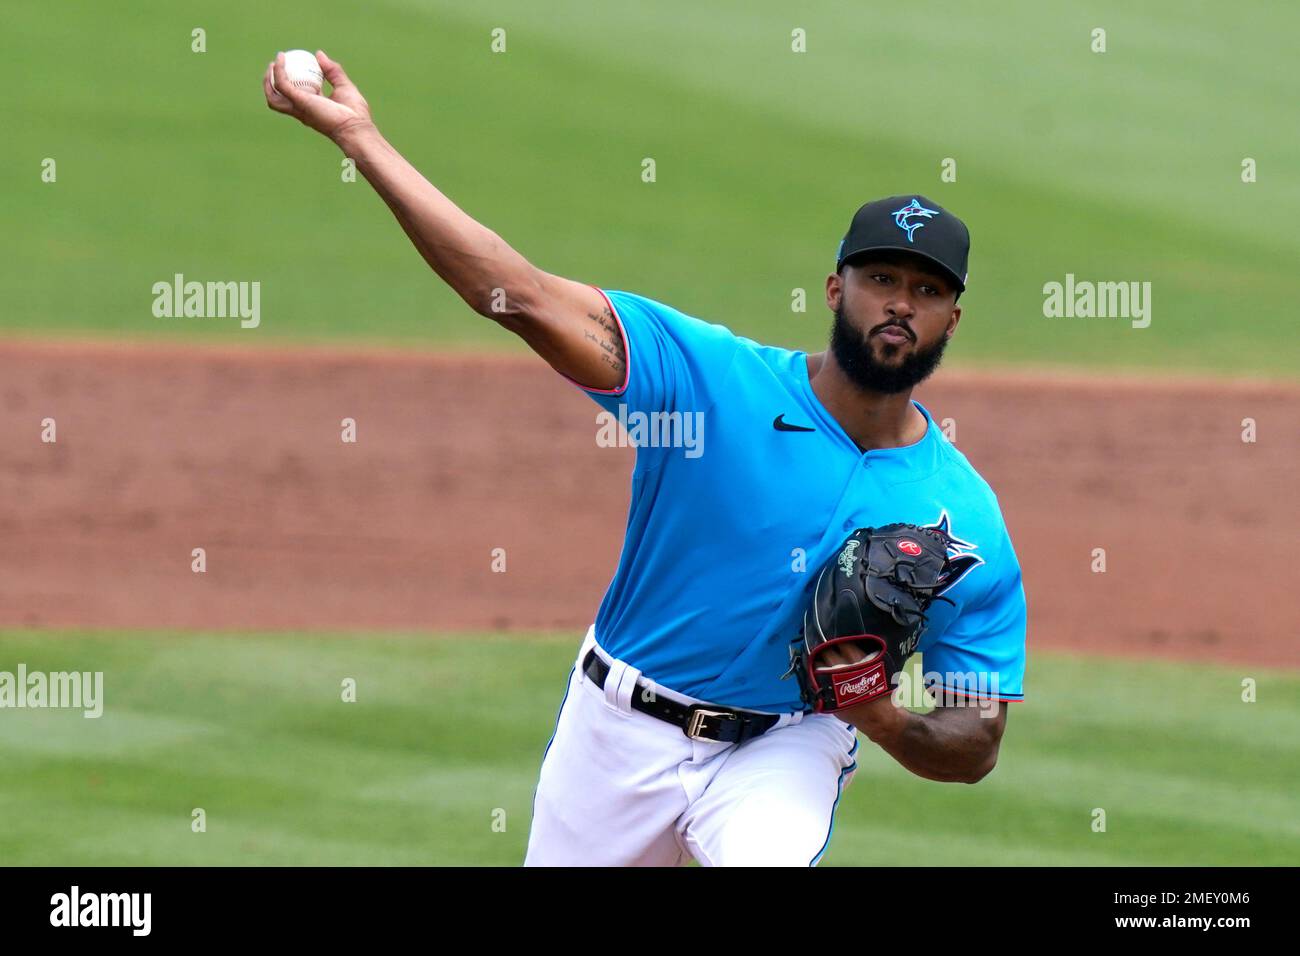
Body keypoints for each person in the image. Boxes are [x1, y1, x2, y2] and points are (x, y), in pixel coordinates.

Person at [264, 51, 1027, 867]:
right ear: (836, 290)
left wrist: (878, 714)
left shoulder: (963, 517)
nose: (901, 304)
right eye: (882, 277)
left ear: (953, 318)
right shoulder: (711, 381)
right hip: (618, 733)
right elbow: (516, 293)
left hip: (786, 745)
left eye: (928, 290)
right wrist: (361, 139)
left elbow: (975, 738)